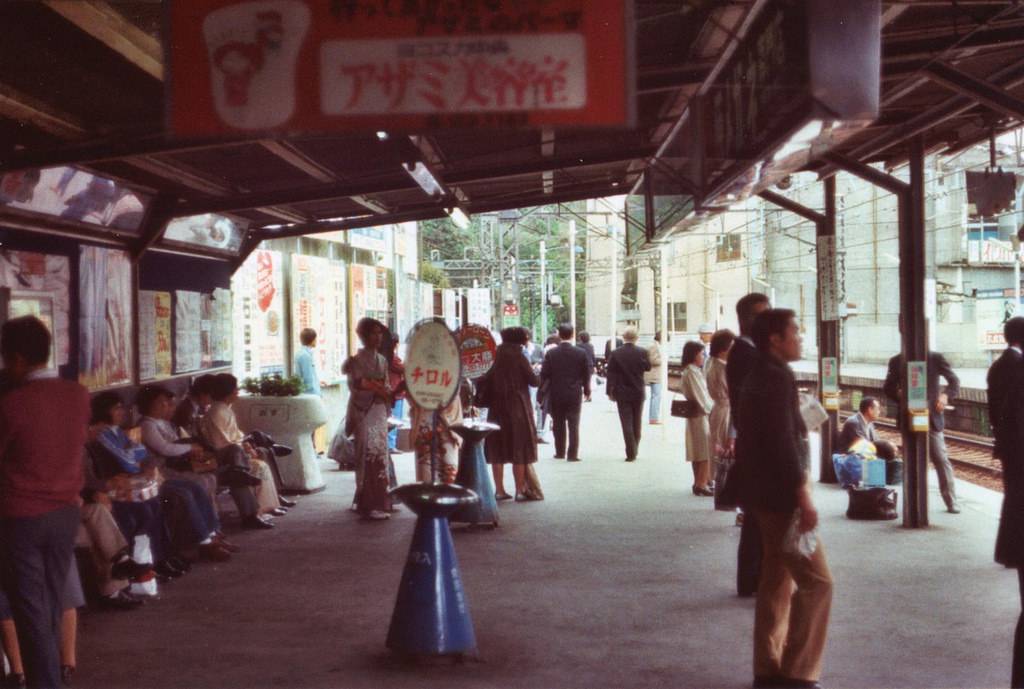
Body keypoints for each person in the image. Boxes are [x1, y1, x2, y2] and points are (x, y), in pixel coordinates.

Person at [735, 308, 833, 689]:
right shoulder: (774, 378)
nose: (801, 336)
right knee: (819, 582)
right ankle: (798, 673)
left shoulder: (762, 373)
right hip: (780, 496)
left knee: (777, 576)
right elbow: (782, 445)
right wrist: (803, 496)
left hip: (763, 492)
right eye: (795, 331)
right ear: (776, 338)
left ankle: (768, 666)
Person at [0, 316, 89, 689]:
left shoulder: (12, 404)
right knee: (50, 604)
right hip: (66, 513)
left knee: (30, 610)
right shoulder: (78, 395)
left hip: (22, 517)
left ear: (17, 358)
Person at [89, 391, 233, 564]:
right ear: (104, 411)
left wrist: (131, 452)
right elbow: (128, 461)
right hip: (128, 481)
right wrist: (131, 452)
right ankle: (197, 546)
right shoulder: (103, 433)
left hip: (141, 477)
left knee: (195, 487)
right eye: (116, 409)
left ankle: (209, 538)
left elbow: (139, 451)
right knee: (181, 494)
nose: (121, 412)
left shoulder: (117, 431)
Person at [988, 317, 1024, 687]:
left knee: (1013, 498)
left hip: (1012, 449)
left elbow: (1000, 410)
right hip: (1018, 450)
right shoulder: (1017, 368)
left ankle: (1009, 549)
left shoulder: (1000, 366)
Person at [727, 292, 770, 597]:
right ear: (745, 319)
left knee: (757, 518)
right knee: (758, 518)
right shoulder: (746, 354)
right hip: (758, 448)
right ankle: (752, 581)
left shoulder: (748, 352)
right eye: (762, 315)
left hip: (754, 445)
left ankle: (751, 580)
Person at [883, 348, 961, 513]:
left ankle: (951, 501)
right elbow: (888, 387)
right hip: (908, 417)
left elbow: (954, 380)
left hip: (931, 417)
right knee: (911, 459)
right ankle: (911, 502)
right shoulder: (896, 361)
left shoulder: (935, 357)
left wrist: (946, 395)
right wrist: (898, 393)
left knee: (941, 458)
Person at [201, 374, 283, 528]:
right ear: (227, 391)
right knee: (257, 467)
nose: (237, 392)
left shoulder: (224, 409)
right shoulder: (217, 412)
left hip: (233, 454)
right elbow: (221, 444)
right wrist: (244, 449)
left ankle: (268, 507)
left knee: (259, 462)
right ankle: (255, 512)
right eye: (235, 389)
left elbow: (235, 436)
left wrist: (245, 445)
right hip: (223, 458)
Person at [482, 327, 541, 500]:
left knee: (497, 448)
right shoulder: (519, 356)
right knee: (520, 449)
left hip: (496, 407)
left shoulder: (493, 356)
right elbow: (534, 381)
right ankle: (519, 491)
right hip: (518, 408)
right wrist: (536, 372)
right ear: (520, 340)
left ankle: (499, 490)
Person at [343, 318, 393, 520]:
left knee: (379, 454)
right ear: (363, 336)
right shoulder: (355, 361)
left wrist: (386, 392)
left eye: (380, 333)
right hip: (363, 411)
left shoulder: (382, 360)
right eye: (373, 333)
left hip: (378, 411)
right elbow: (356, 387)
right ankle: (367, 503)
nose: (378, 336)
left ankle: (377, 501)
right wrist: (377, 391)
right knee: (367, 456)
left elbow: (386, 386)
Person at [541, 323, 591, 463]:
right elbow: (586, 374)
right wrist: (587, 391)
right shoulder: (581, 353)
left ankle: (560, 452)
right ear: (573, 335)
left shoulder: (551, 353)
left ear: (559, 335)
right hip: (574, 393)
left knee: (558, 423)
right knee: (574, 424)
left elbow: (545, 373)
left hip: (556, 393)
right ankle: (572, 454)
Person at [606, 326, 651, 463]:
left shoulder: (615, 353)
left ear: (623, 337)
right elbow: (648, 367)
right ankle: (634, 448)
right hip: (638, 391)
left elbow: (610, 375)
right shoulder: (642, 352)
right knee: (637, 422)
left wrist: (609, 392)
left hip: (622, 392)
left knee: (626, 423)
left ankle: (630, 452)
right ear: (636, 338)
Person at [679, 341, 714, 494]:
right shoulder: (693, 372)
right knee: (705, 450)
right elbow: (702, 396)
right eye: (701, 353)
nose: (703, 356)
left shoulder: (689, 370)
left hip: (694, 416)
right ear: (694, 355)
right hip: (700, 416)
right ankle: (701, 484)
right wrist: (712, 410)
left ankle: (698, 482)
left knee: (697, 450)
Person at [706, 329, 736, 467]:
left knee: (717, 450)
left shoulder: (709, 362)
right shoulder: (723, 369)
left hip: (717, 411)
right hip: (727, 413)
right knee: (727, 450)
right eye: (731, 347)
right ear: (722, 350)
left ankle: (719, 482)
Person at [295, 328, 326, 453]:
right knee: (311, 424)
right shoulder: (305, 356)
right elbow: (307, 378)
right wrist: (316, 395)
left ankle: (311, 449)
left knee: (310, 425)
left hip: (308, 393)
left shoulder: (303, 354)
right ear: (311, 340)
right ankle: (310, 450)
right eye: (315, 338)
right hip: (310, 395)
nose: (316, 341)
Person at [387, 334, 406, 454]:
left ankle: (390, 444)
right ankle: (390, 445)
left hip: (395, 391)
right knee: (393, 420)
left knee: (394, 418)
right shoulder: (392, 357)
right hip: (395, 392)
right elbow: (403, 368)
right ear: (396, 344)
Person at [644, 332, 663, 424]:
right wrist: (664, 359)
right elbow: (654, 360)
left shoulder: (652, 344)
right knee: (656, 396)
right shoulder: (653, 346)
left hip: (654, 374)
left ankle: (654, 417)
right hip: (654, 374)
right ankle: (654, 418)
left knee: (655, 395)